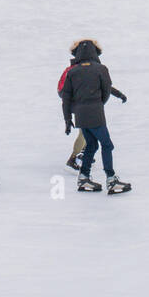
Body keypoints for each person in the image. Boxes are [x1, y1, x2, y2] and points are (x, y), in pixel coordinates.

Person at [61, 39, 131, 194]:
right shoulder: (101, 69)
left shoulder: (72, 72)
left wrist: (67, 119)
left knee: (91, 145)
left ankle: (84, 177)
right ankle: (111, 179)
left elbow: (66, 97)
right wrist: (98, 104)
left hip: (80, 116)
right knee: (107, 145)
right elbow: (106, 91)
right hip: (96, 114)